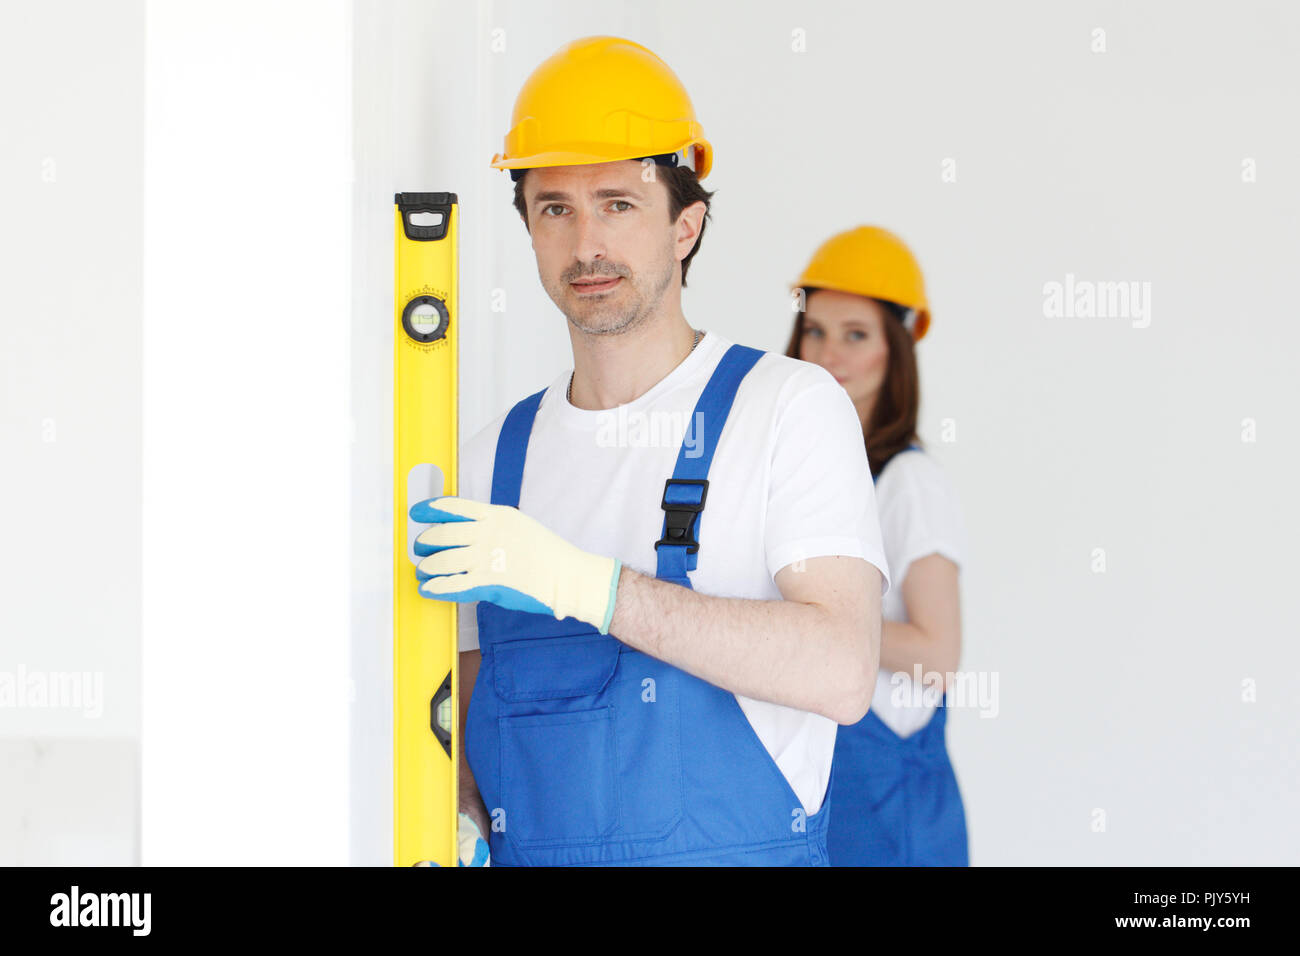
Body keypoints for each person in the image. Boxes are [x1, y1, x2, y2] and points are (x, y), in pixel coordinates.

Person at [409, 36, 891, 866]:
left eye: (619, 203)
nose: (586, 242)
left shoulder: (784, 410)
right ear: (527, 229)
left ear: (686, 225)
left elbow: (843, 671)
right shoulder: (493, 463)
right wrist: (454, 816)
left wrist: (584, 586)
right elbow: (463, 716)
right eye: (555, 207)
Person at [786, 226, 970, 866]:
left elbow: (938, 656)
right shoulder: (817, 478)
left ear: (895, 349)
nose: (829, 351)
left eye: (855, 334)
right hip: (831, 779)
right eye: (816, 330)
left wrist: (821, 621)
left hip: (890, 793)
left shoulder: (909, 482)